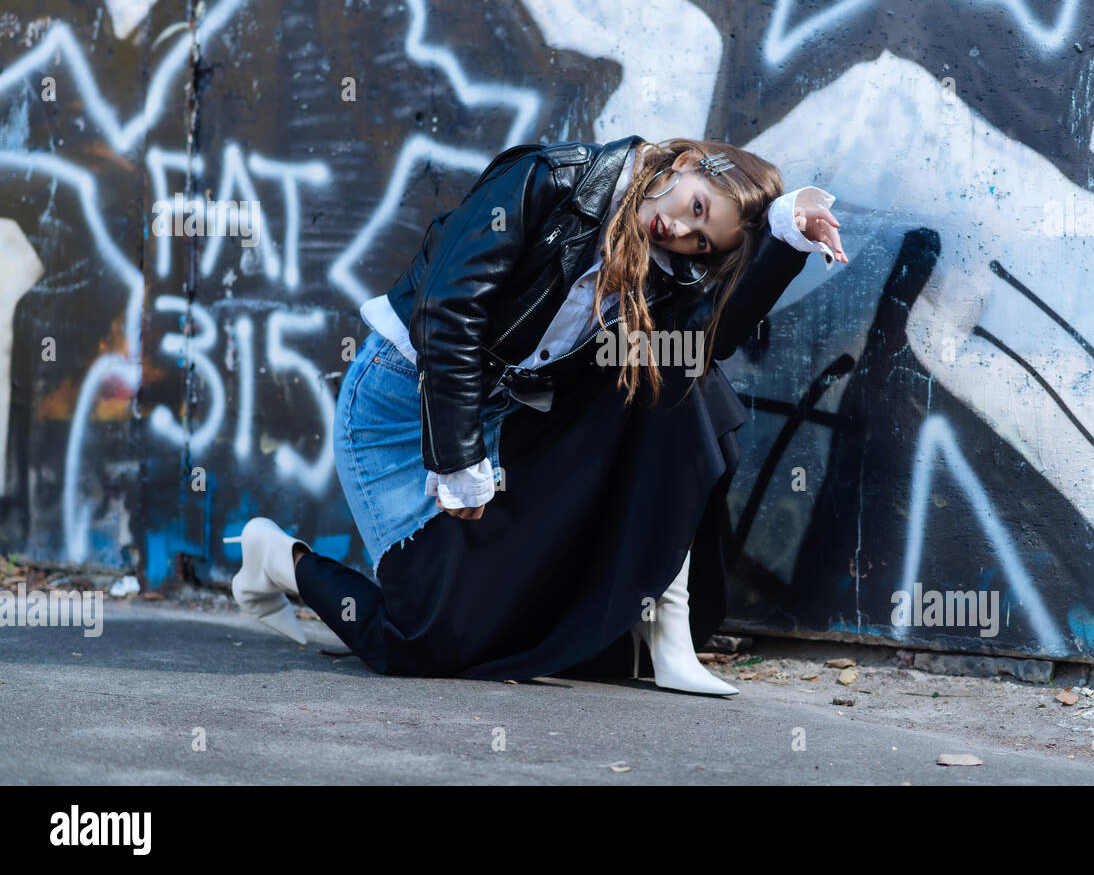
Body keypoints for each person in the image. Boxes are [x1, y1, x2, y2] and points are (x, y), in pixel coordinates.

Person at [223, 135, 845, 696]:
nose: (679, 231)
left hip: (509, 420)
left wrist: (786, 238)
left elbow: (706, 345)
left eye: (700, 240)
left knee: (677, 365)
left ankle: (666, 626)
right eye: (697, 208)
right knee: (427, 640)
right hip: (402, 411)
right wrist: (458, 457)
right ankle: (278, 559)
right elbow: (448, 310)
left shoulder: (659, 270)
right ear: (684, 164)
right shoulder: (549, 178)